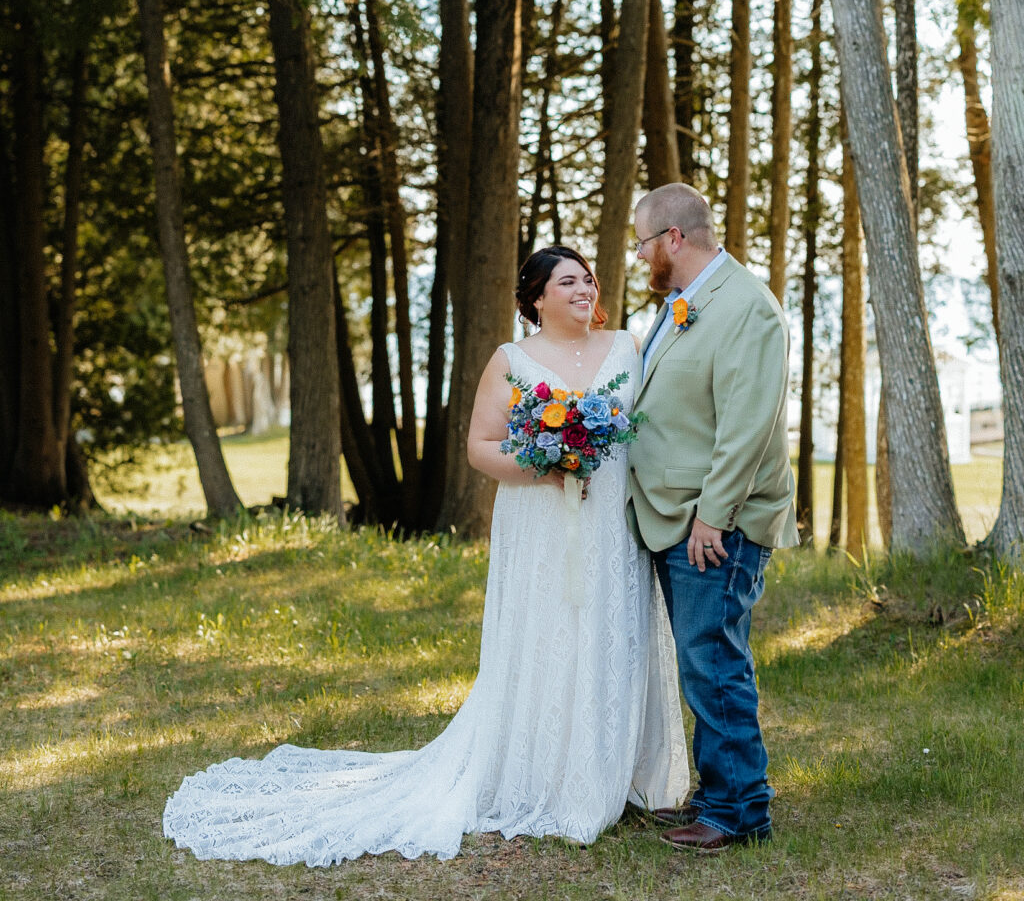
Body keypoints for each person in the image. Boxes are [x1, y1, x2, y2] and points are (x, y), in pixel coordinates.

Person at [163, 244, 688, 865]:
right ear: (536, 298)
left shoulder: (626, 347)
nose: (583, 289)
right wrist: (543, 463)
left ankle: (622, 774)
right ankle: (550, 778)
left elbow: (654, 428)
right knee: (548, 636)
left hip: (611, 525)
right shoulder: (512, 360)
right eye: (567, 281)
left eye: (588, 279)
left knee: (612, 632)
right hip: (541, 524)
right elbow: (480, 446)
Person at [629, 184, 798, 856]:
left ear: (673, 238)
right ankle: (719, 790)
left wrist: (712, 517)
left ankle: (738, 810)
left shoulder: (747, 307)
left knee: (714, 662)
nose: (640, 256)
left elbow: (747, 426)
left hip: (714, 522)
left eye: (643, 243)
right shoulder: (684, 303)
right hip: (676, 514)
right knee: (702, 662)